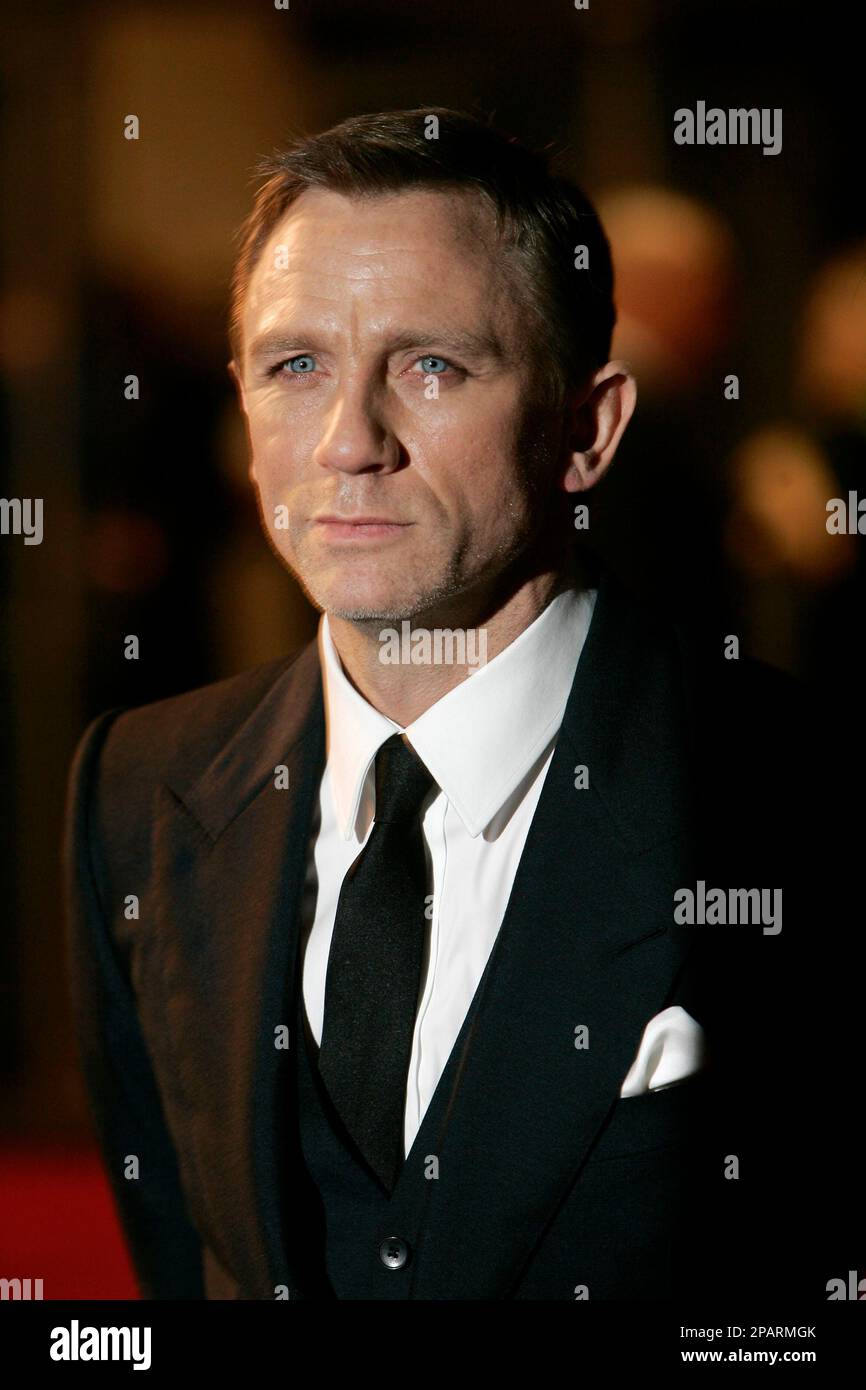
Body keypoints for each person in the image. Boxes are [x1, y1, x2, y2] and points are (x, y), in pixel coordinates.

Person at [63, 107, 859, 1301]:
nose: (347, 441)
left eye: (429, 366)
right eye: (295, 367)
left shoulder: (802, 790)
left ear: (585, 430)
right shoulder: (140, 787)